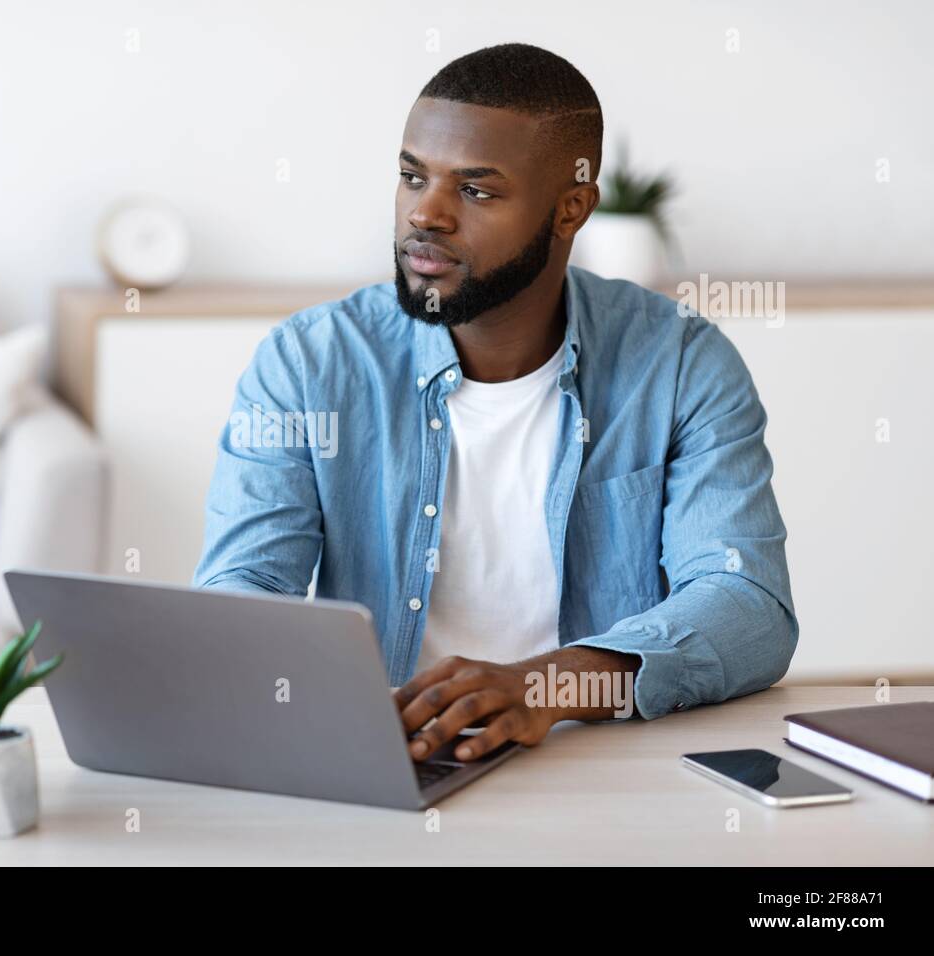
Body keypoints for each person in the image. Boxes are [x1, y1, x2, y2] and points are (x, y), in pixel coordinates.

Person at [194, 43, 796, 764]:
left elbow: (747, 606)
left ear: (570, 208)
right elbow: (244, 586)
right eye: (413, 177)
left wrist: (542, 689)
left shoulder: (679, 363)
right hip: (392, 764)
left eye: (476, 191)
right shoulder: (309, 362)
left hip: (597, 762)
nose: (428, 214)